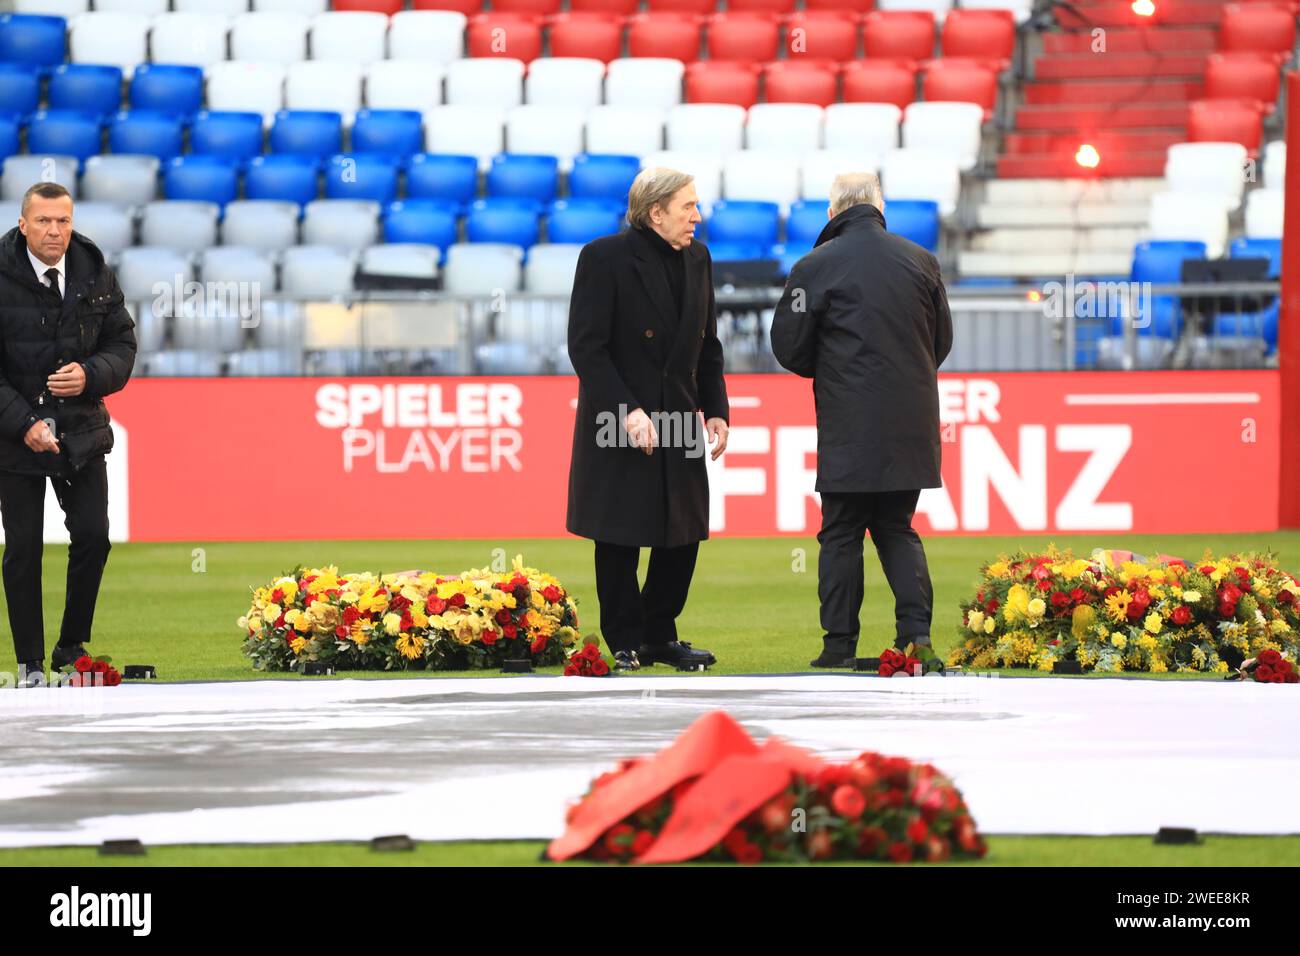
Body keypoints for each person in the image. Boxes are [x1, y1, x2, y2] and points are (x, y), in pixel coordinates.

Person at [770, 172, 953, 668]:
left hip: (849, 421)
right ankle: (917, 639)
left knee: (842, 532)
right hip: (910, 421)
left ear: (832, 214)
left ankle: (838, 648)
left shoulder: (814, 266)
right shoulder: (921, 261)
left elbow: (788, 346)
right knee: (897, 527)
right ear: (879, 208)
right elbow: (940, 344)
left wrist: (828, 367)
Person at [566, 167, 729, 671]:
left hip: (680, 415)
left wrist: (717, 410)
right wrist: (628, 411)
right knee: (619, 532)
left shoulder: (699, 259)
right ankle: (624, 638)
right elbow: (587, 348)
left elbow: (709, 344)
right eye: (688, 207)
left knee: (682, 531)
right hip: (619, 417)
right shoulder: (603, 258)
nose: (697, 217)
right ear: (655, 212)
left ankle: (661, 634)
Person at [0, 182, 137, 687]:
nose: (54, 231)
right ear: (23, 224)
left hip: (80, 430)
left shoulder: (93, 270)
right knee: (23, 549)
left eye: (62, 221)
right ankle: (30, 661)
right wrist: (24, 424)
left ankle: (70, 645)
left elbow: (122, 344)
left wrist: (91, 374)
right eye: (43, 221)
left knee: (94, 536)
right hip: (13, 436)